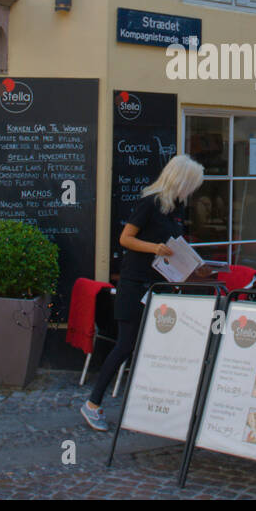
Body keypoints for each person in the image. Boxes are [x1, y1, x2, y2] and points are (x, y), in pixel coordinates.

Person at [82, 154, 205, 431]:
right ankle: (92, 403)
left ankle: (152, 405)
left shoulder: (176, 208)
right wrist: (155, 248)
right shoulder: (150, 202)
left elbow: (175, 244)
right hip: (135, 284)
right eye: (192, 184)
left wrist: (192, 262)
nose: (193, 190)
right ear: (182, 180)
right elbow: (125, 238)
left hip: (158, 286)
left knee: (154, 344)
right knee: (125, 344)